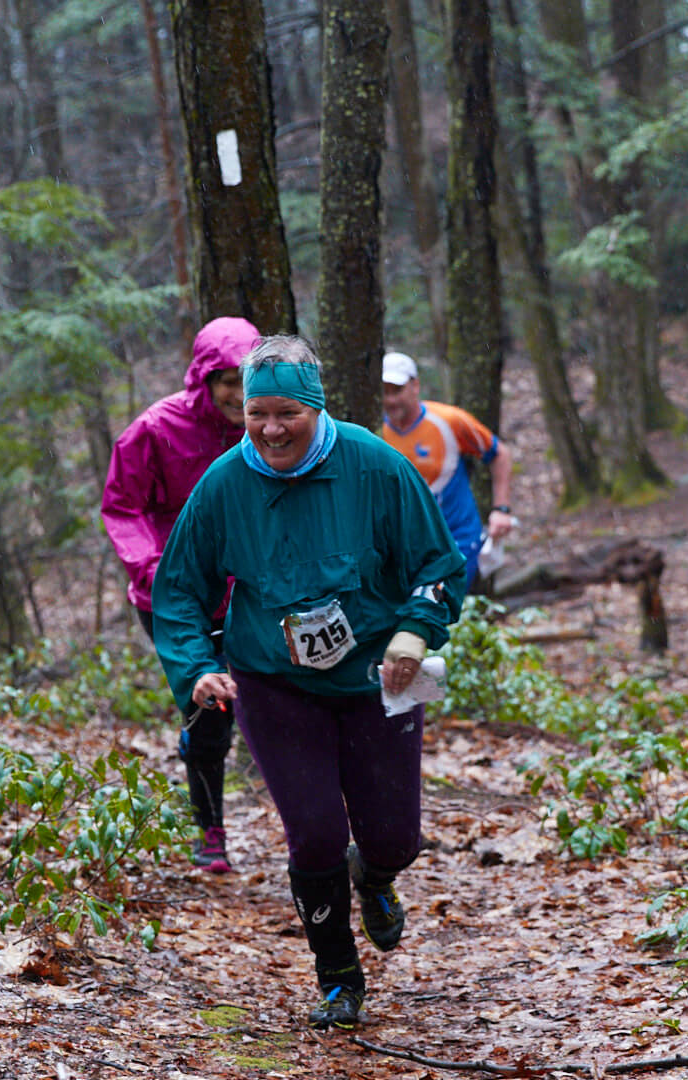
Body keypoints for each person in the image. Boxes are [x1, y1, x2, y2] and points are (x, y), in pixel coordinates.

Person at [149, 336, 467, 1030]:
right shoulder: (224, 485)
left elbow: (439, 566)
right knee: (315, 835)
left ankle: (375, 876)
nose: (270, 430)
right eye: (256, 413)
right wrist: (197, 668)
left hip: (380, 675)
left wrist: (415, 633)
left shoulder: (376, 466)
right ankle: (338, 980)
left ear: (317, 408)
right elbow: (177, 589)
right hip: (274, 683)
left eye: (287, 413)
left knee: (395, 839)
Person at [101, 316, 260, 873]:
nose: (239, 395)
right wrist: (153, 569)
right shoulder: (155, 429)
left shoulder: (269, 425)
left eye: (248, 381)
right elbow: (123, 505)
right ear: (204, 378)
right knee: (209, 707)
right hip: (173, 597)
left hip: (249, 593)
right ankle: (209, 829)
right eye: (228, 382)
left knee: (275, 701)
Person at [380, 351, 513, 588]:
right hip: (405, 547)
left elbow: (499, 454)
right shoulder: (375, 432)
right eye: (385, 392)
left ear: (415, 386)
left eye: (397, 390)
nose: (391, 400)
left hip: (457, 540)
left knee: (437, 605)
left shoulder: (448, 421)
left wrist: (501, 509)